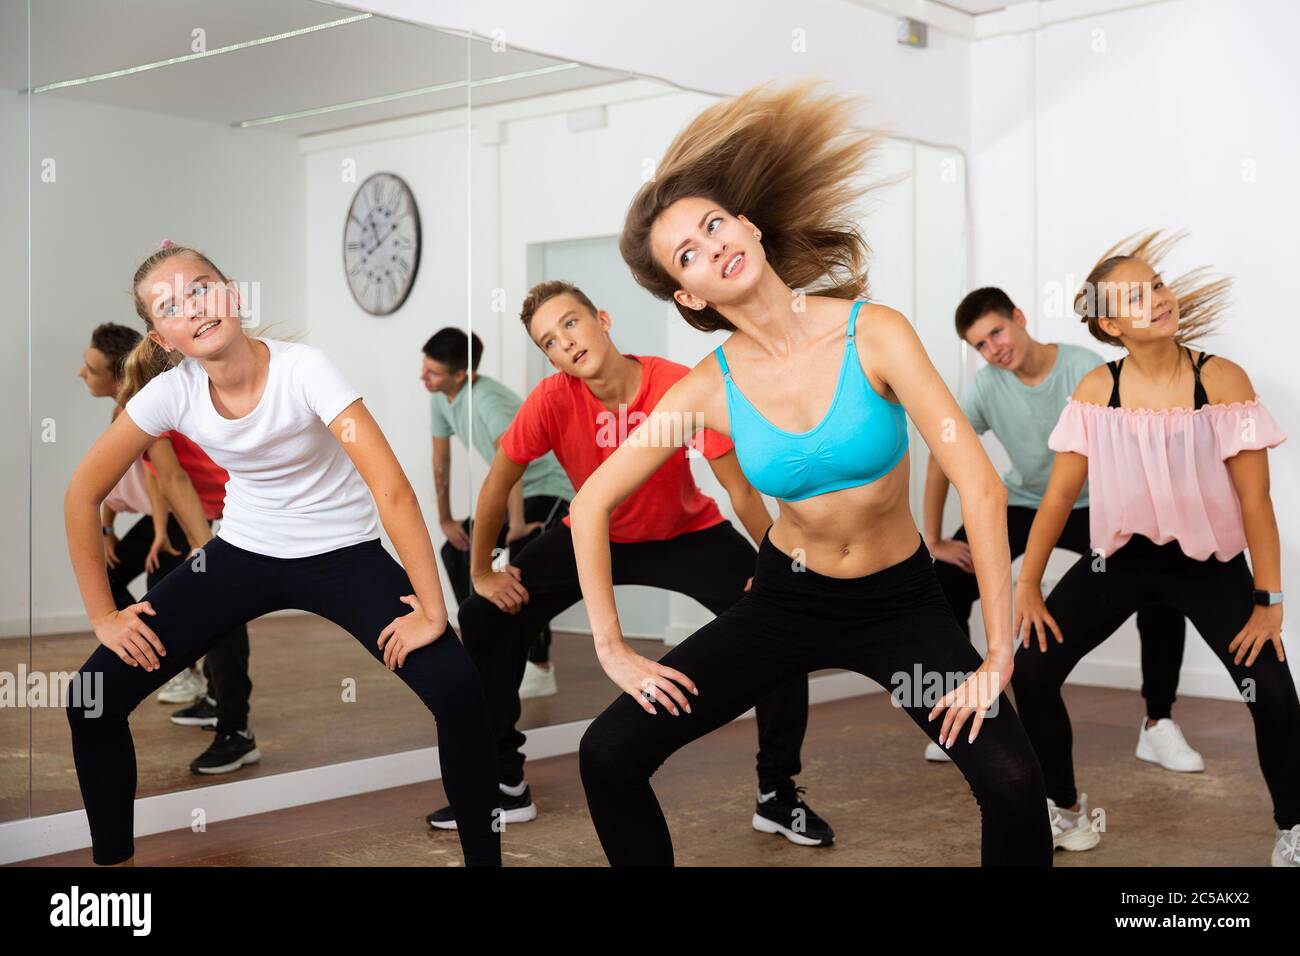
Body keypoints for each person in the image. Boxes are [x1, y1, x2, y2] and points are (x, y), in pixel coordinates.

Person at [571, 82, 1052, 866]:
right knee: (609, 753)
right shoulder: (706, 389)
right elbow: (590, 506)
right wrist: (612, 648)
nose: (711, 245)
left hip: (901, 607)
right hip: (787, 602)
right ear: (689, 293)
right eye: (686, 254)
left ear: (750, 227)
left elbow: (982, 484)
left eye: (713, 223)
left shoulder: (875, 334)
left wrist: (997, 656)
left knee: (1010, 778)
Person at [63, 241, 500, 866]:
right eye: (170, 306)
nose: (193, 307)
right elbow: (81, 494)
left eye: (201, 288)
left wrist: (433, 611)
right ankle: (115, 878)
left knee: (457, 689)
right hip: (242, 552)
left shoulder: (305, 370)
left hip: (345, 555)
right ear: (162, 337)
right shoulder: (170, 394)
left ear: (233, 294)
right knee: (91, 700)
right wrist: (104, 616)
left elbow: (391, 488)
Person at [426, 279, 833, 849]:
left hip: (684, 532)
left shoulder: (674, 384)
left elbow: (737, 486)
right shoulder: (551, 399)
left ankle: (777, 793)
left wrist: (772, 560)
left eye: (570, 323)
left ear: (603, 319)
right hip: (588, 533)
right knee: (486, 616)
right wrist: (482, 571)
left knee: (781, 620)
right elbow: (498, 483)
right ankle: (503, 781)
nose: (564, 343)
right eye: (549, 340)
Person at [1012, 231, 1299, 865]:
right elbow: (1058, 500)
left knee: (1273, 692)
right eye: (1136, 296)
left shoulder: (1220, 380)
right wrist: (1027, 583)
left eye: (1159, 285)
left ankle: (1295, 827)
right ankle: (1064, 811)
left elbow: (1256, 502)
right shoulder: (1096, 390)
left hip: (1209, 566)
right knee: (1031, 672)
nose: (1159, 299)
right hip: (1117, 561)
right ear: (1110, 322)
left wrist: (1269, 601)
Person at [923, 288, 1198, 771]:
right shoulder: (986, 386)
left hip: (1096, 505)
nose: (993, 349)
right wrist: (935, 537)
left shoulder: (1081, 368)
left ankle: (1158, 723)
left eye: (996, 332)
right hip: (1027, 503)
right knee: (944, 580)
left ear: (1019, 317)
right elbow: (943, 455)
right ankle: (967, 706)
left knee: (1160, 589)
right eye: (981, 346)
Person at [421, 327, 573, 699]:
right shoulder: (441, 398)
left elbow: (514, 460)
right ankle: (485, 647)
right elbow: (441, 460)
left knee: (517, 563)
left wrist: (518, 524)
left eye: (433, 372)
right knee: (456, 549)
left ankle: (537, 666)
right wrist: (446, 518)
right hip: (512, 494)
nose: (424, 378)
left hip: (550, 490)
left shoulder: (487, 401)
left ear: (463, 374)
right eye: (425, 368)